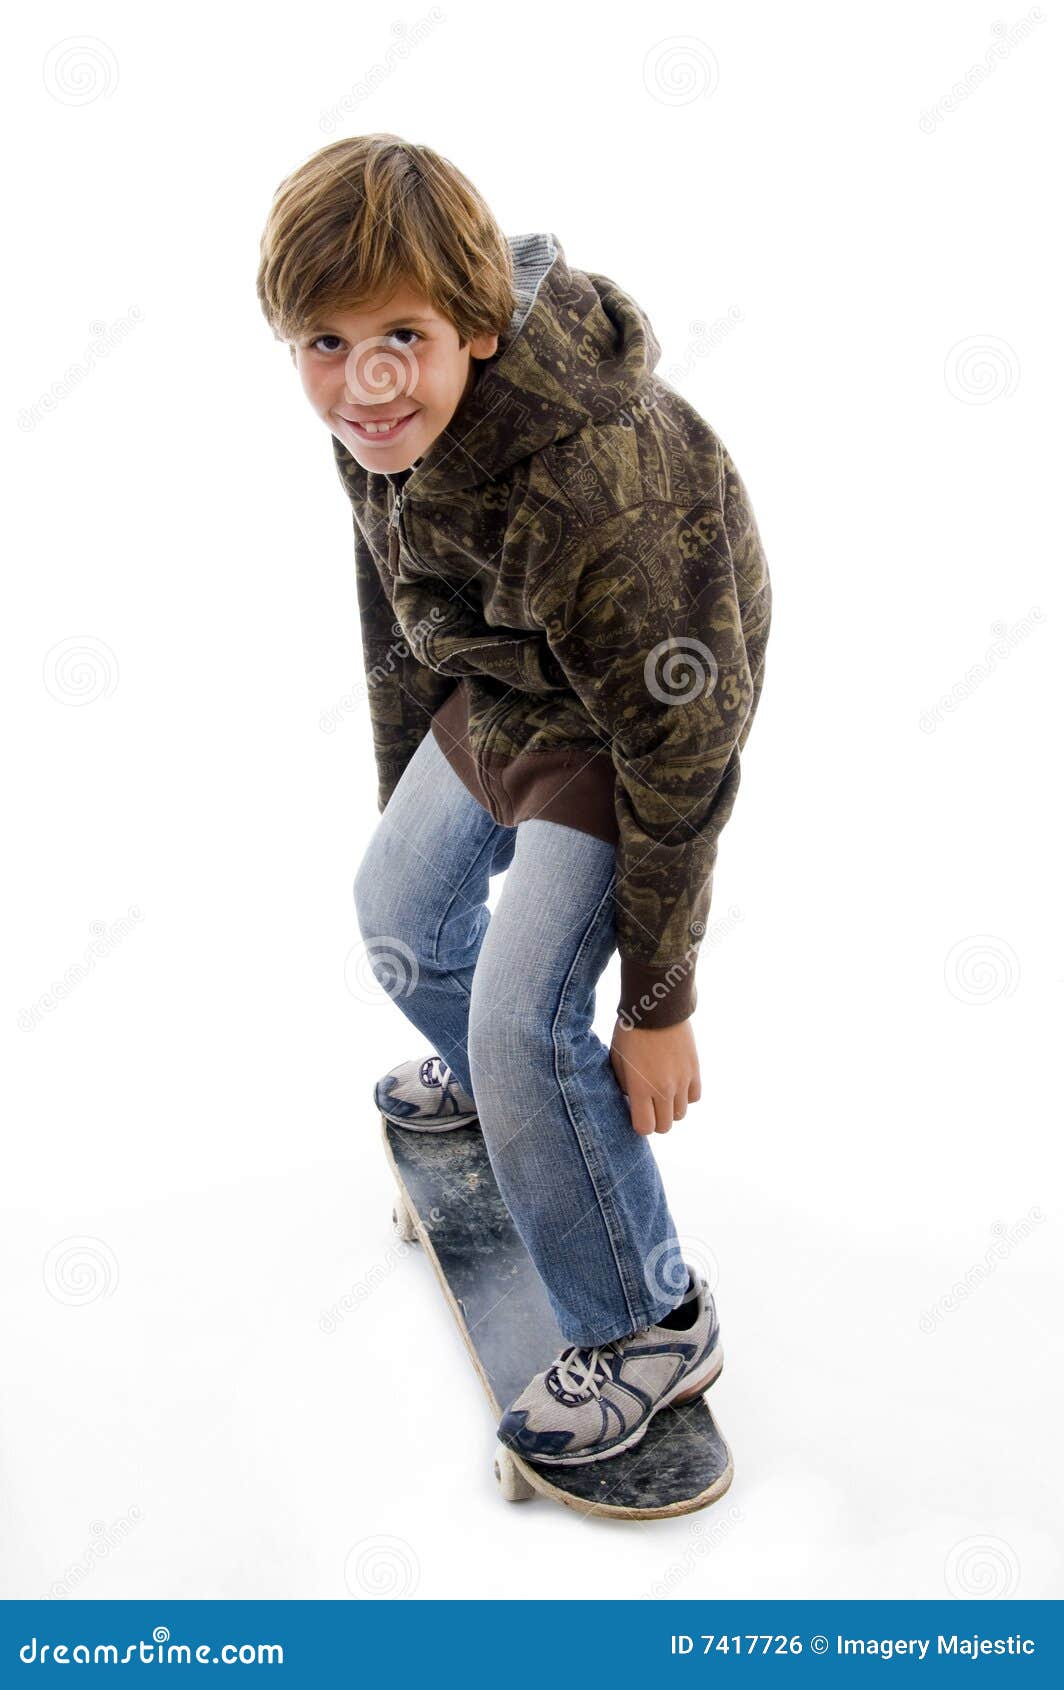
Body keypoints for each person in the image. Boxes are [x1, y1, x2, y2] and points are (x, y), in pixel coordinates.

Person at [257, 133, 771, 1467]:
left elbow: (683, 742)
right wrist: (410, 808)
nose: (360, 383)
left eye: (399, 337)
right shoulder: (381, 416)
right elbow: (401, 602)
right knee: (399, 910)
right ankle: (521, 1097)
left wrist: (660, 1002)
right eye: (322, 341)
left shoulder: (585, 488)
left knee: (524, 1025)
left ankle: (655, 1323)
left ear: (478, 328)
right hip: (513, 670)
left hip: (640, 709)